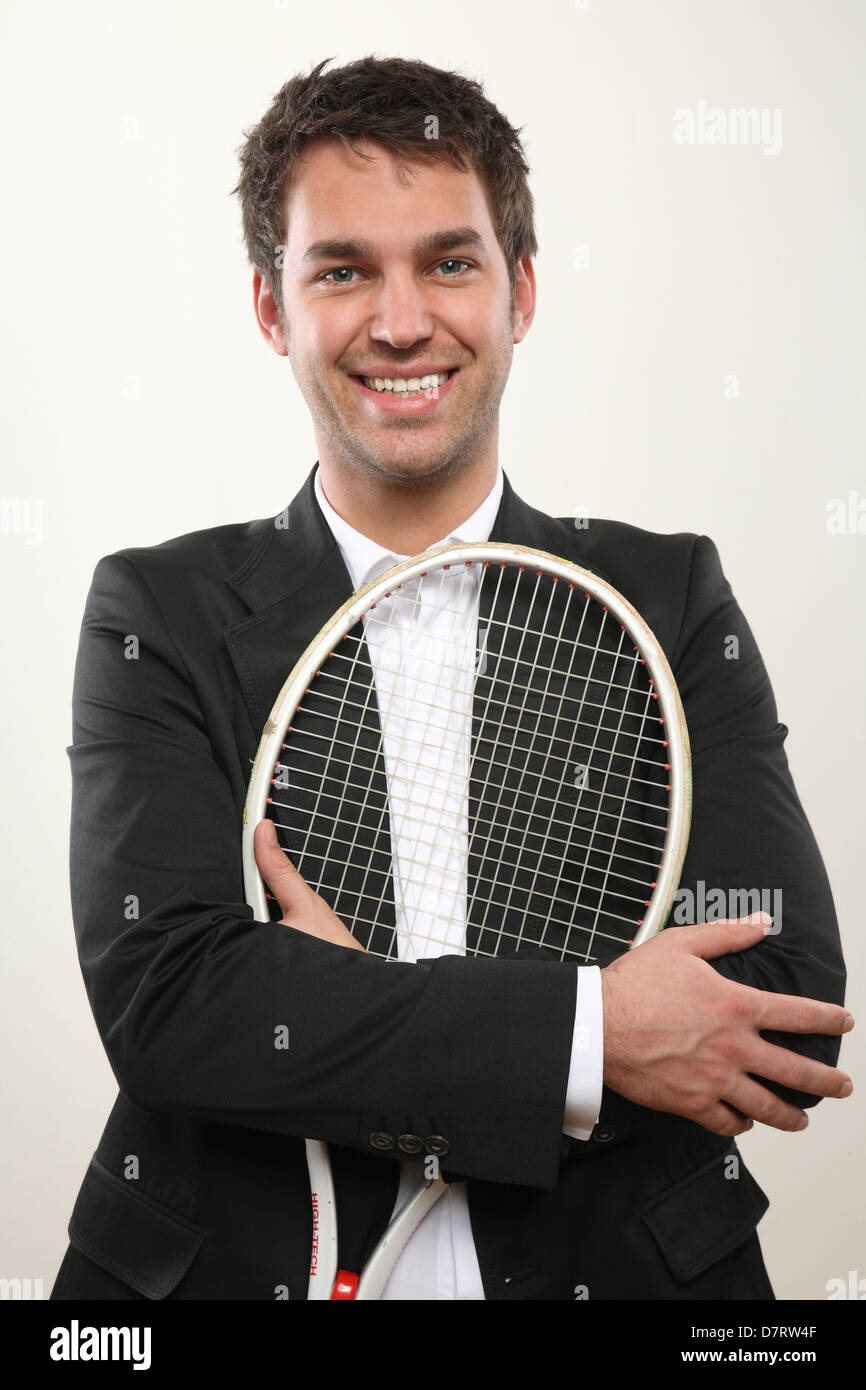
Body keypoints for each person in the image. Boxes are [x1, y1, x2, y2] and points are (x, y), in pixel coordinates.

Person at [50, 55, 852, 1302]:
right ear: (271, 307)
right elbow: (169, 1005)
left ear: (519, 290)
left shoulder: (667, 596)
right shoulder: (154, 611)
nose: (401, 320)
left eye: (449, 261)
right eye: (341, 269)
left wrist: (339, 1009)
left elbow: (776, 996)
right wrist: (592, 1034)